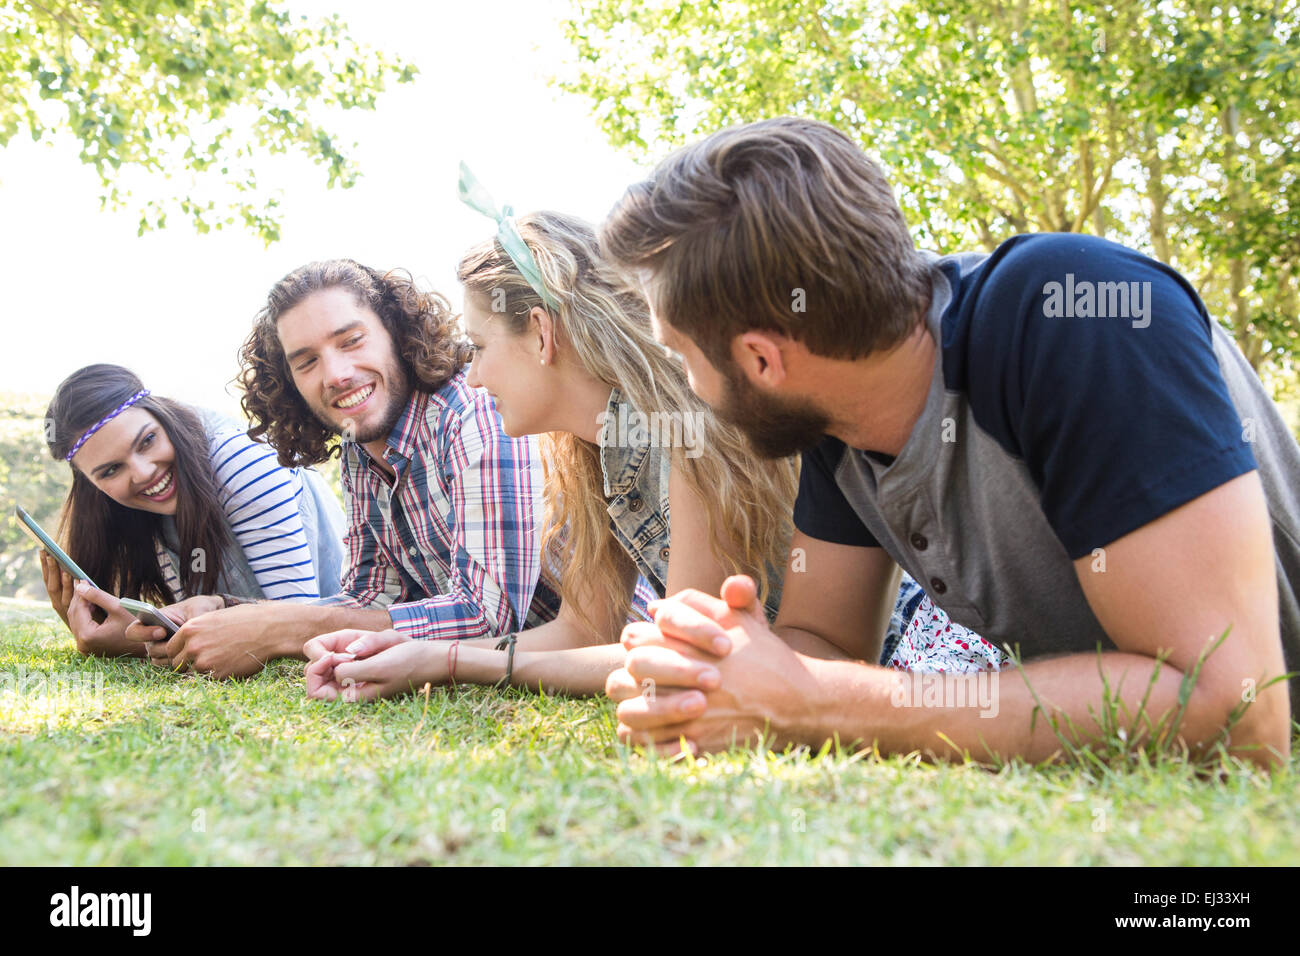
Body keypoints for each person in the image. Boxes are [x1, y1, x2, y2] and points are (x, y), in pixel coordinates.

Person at [597, 117, 1299, 768]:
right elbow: (825, 647)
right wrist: (716, 669)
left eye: (680, 355)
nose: (687, 384)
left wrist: (812, 704)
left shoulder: (1076, 311)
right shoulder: (834, 416)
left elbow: (1235, 713)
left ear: (760, 360)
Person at [304, 206, 999, 703]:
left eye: (481, 347)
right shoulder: (595, 454)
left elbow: (683, 655)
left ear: (542, 335)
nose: (474, 376)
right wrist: (418, 656)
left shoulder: (687, 427)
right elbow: (583, 629)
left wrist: (454, 664)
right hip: (806, 675)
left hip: (910, 660)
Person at [123, 260, 557, 679]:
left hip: (579, 655)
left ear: (397, 333)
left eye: (351, 341)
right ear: (289, 381)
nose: (336, 374)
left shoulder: (474, 414)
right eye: (307, 361)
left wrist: (279, 631)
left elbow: (491, 616)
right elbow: (370, 596)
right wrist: (227, 612)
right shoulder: (358, 447)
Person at [40, 363, 345, 659]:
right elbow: (203, 628)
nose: (144, 473)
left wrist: (133, 644)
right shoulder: (146, 504)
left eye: (147, 441)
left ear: (161, 416)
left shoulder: (240, 462)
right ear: (92, 486)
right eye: (110, 470)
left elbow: (298, 626)